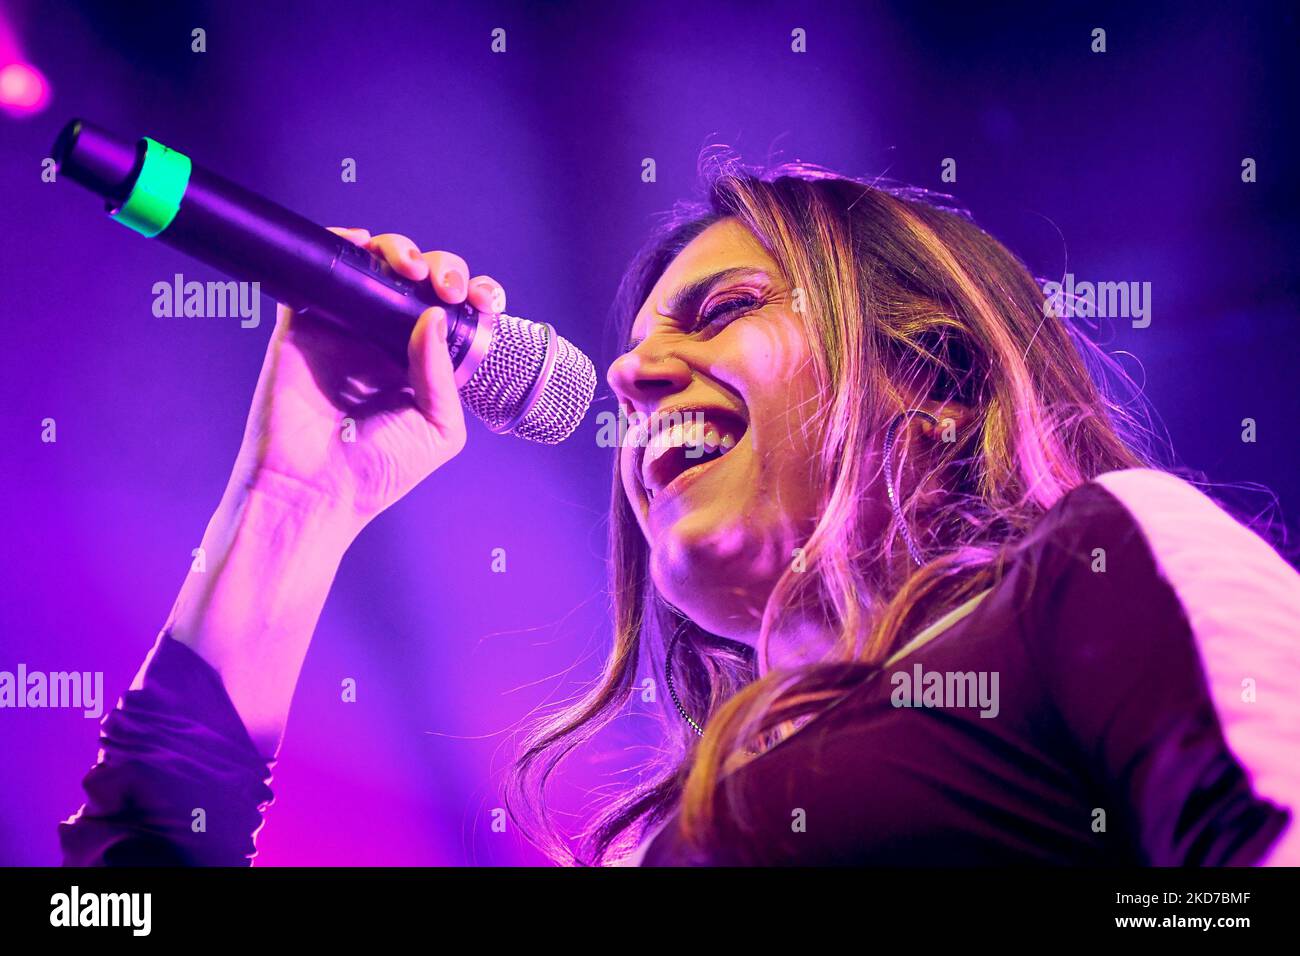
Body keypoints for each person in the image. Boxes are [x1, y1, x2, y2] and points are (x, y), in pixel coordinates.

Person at [60, 160, 1300, 867]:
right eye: (639, 342)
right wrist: (290, 508)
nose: (630, 373)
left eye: (719, 312)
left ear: (926, 379)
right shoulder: (646, 845)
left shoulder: (1104, 561)